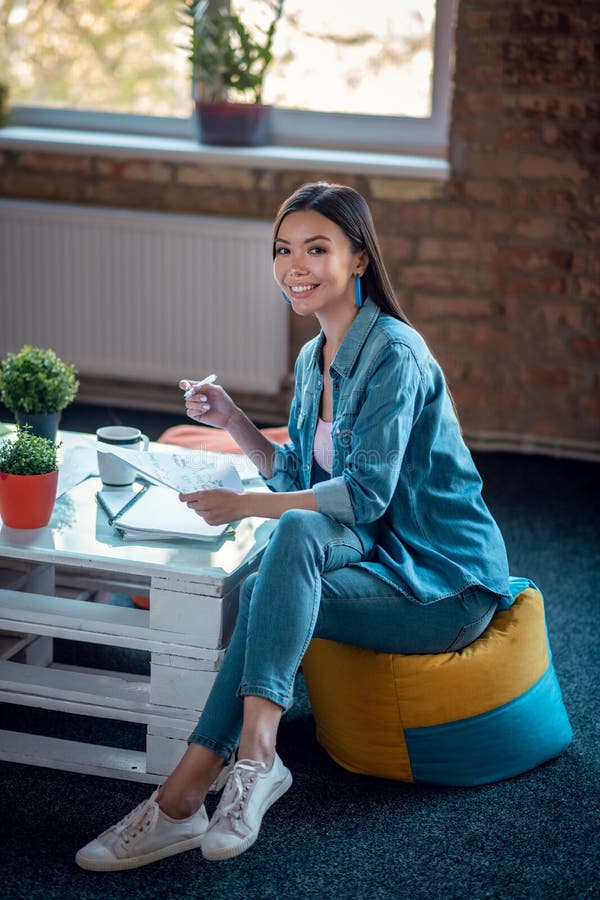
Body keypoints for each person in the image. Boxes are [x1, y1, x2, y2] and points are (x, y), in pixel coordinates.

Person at [76, 182, 512, 872]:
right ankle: (244, 766)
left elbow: (363, 498)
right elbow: (298, 480)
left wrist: (244, 506)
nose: (294, 266)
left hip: (442, 582)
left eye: (316, 248)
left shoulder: (394, 354)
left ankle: (187, 796)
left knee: (267, 579)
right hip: (371, 555)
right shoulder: (315, 359)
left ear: (359, 259)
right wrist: (233, 421)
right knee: (289, 546)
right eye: (283, 249)